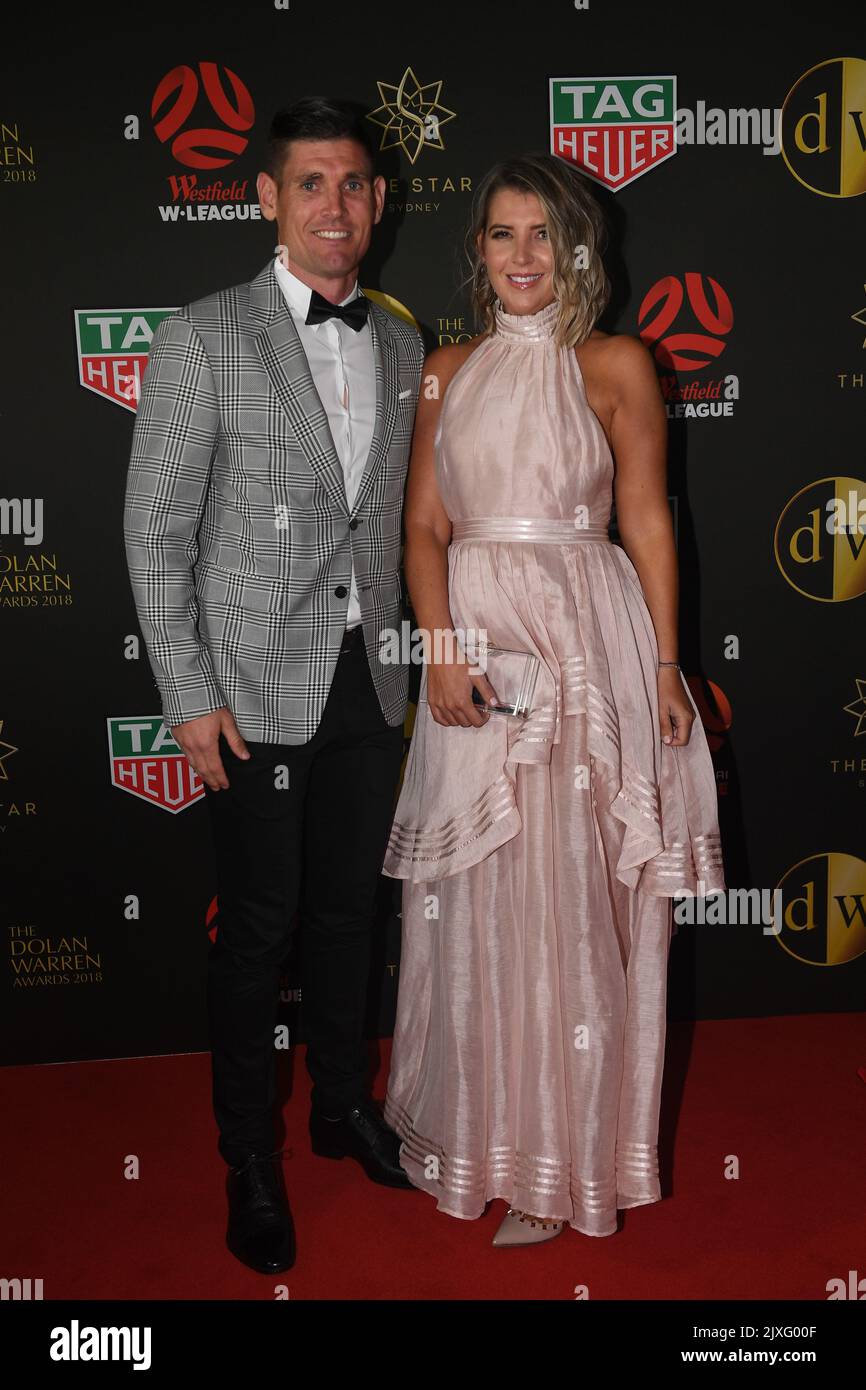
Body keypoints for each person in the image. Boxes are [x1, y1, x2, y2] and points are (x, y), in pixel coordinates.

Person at [382, 153, 725, 1246]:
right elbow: (423, 526)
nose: (521, 255)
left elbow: (647, 519)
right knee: (477, 901)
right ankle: (484, 1138)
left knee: (573, 903)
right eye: (499, 234)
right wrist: (438, 649)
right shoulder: (444, 367)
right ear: (476, 253)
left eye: (542, 234)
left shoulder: (616, 362)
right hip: (475, 645)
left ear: (578, 249)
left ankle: (565, 1161)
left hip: (582, 643)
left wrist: (666, 667)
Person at [123, 97, 425, 1273]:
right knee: (256, 933)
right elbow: (156, 535)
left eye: (352, 183)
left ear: (379, 200)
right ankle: (248, 1156)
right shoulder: (202, 336)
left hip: (372, 679)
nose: (333, 206)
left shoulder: (400, 345)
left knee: (353, 916)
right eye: (309, 183)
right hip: (249, 688)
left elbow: (395, 524)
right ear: (266, 197)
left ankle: (342, 1106)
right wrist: (188, 695)